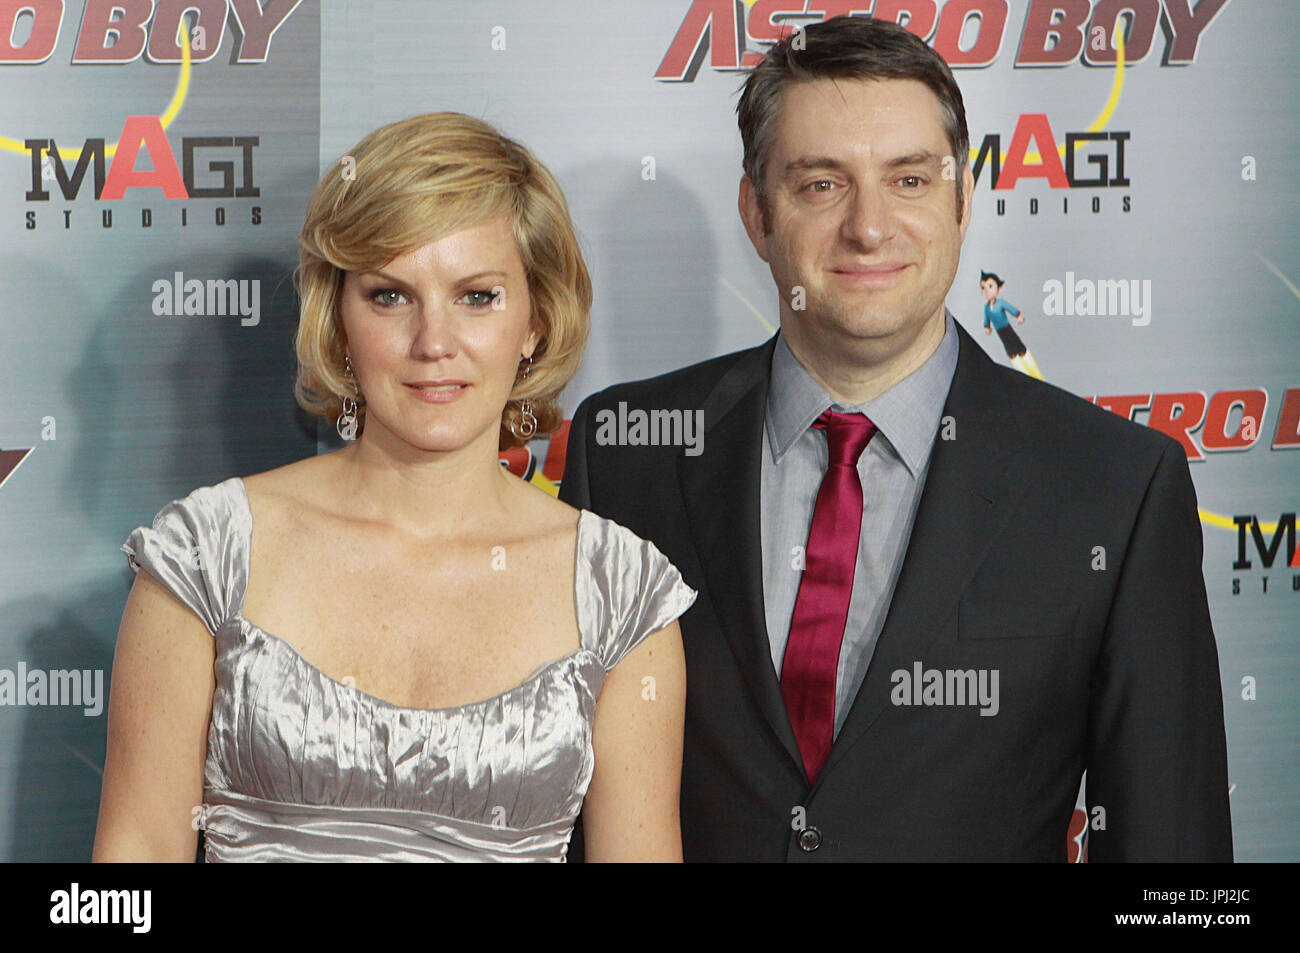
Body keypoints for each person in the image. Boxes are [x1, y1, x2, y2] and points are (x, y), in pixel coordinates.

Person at [559, 17, 1232, 861]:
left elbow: (1174, 857)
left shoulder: (1115, 487)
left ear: (960, 202)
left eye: (909, 180)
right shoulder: (624, 454)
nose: (869, 228)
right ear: (756, 213)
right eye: (820, 185)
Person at [91, 113, 694, 862]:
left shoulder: (621, 595)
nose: (433, 342)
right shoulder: (205, 556)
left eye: (478, 296)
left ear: (535, 319)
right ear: (339, 321)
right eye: (390, 296)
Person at [980, 270, 1042, 379]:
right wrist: (987, 327)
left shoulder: (1000, 303)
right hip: (1000, 331)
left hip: (1007, 328)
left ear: (999, 289)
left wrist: (1018, 315)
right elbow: (987, 319)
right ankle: (1023, 373)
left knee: (1019, 347)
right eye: (983, 288)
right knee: (1010, 351)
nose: (986, 291)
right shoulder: (986, 308)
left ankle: (1034, 373)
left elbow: (1010, 309)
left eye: (990, 286)